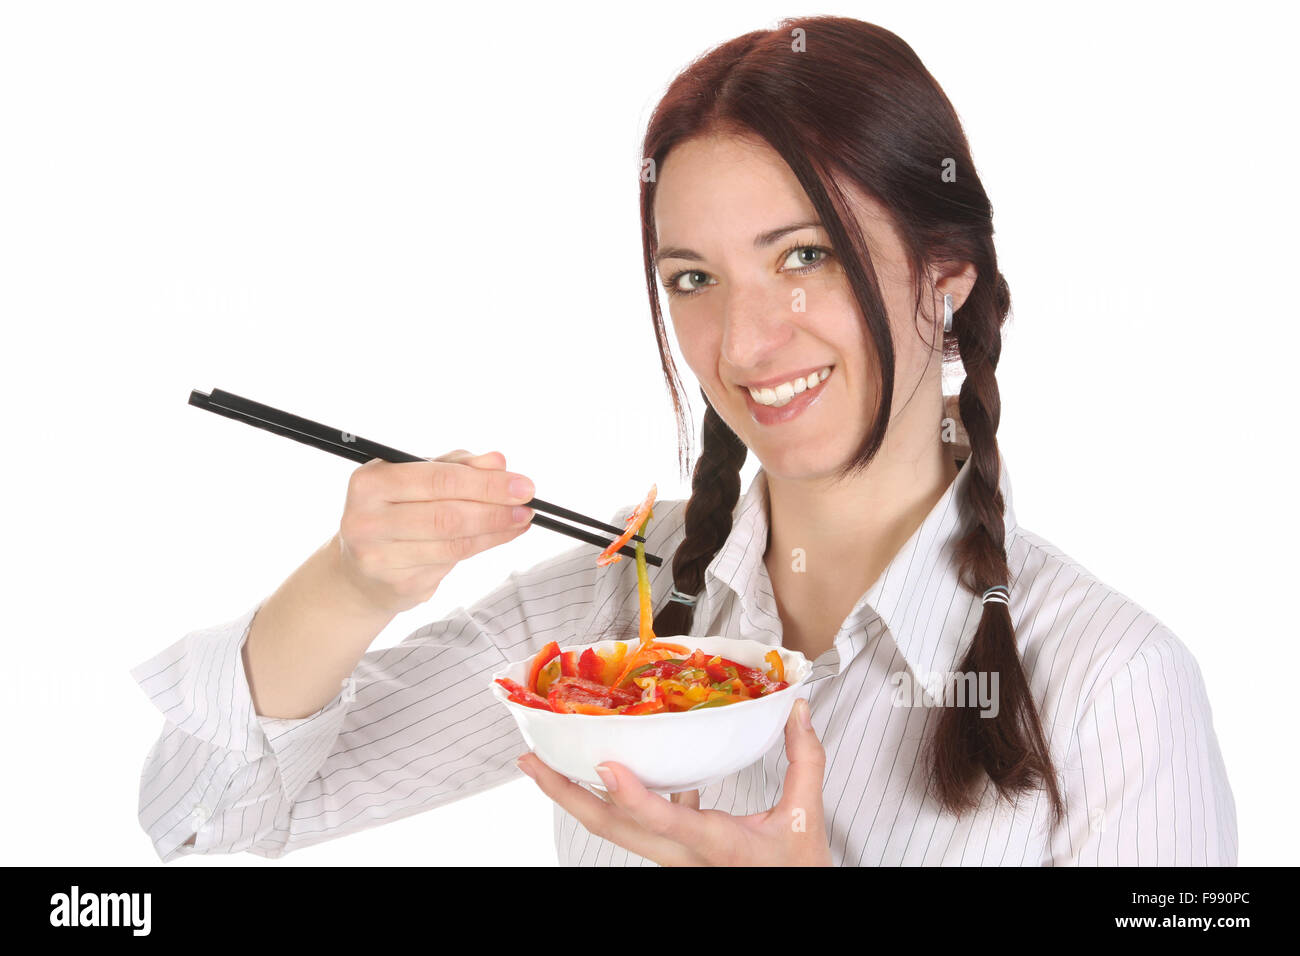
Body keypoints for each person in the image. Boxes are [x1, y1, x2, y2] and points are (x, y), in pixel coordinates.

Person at [132, 15, 1236, 866]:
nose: (745, 341)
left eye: (804, 255)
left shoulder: (1111, 681)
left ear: (944, 276)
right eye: (692, 278)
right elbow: (202, 814)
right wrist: (349, 584)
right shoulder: (613, 616)